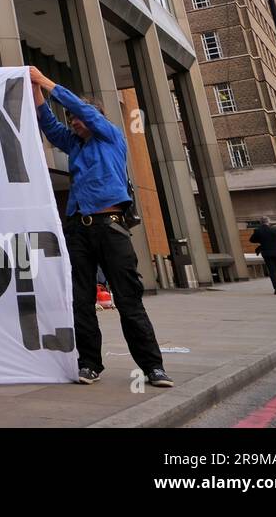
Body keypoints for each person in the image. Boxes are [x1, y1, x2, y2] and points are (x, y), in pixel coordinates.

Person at [29, 66, 174, 388]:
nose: (73, 123)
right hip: (79, 229)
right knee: (81, 300)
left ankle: (153, 367)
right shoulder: (76, 144)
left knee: (128, 299)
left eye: (77, 119)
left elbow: (80, 109)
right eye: (72, 121)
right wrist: (33, 87)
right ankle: (89, 364)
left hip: (111, 227)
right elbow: (48, 125)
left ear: (95, 118)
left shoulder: (110, 136)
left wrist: (44, 79)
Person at [249, 219, 276, 295]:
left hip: (267, 253)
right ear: (268, 222)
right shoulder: (273, 229)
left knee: (272, 271)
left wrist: (261, 241)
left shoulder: (258, 230)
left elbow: (251, 240)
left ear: (260, 223)